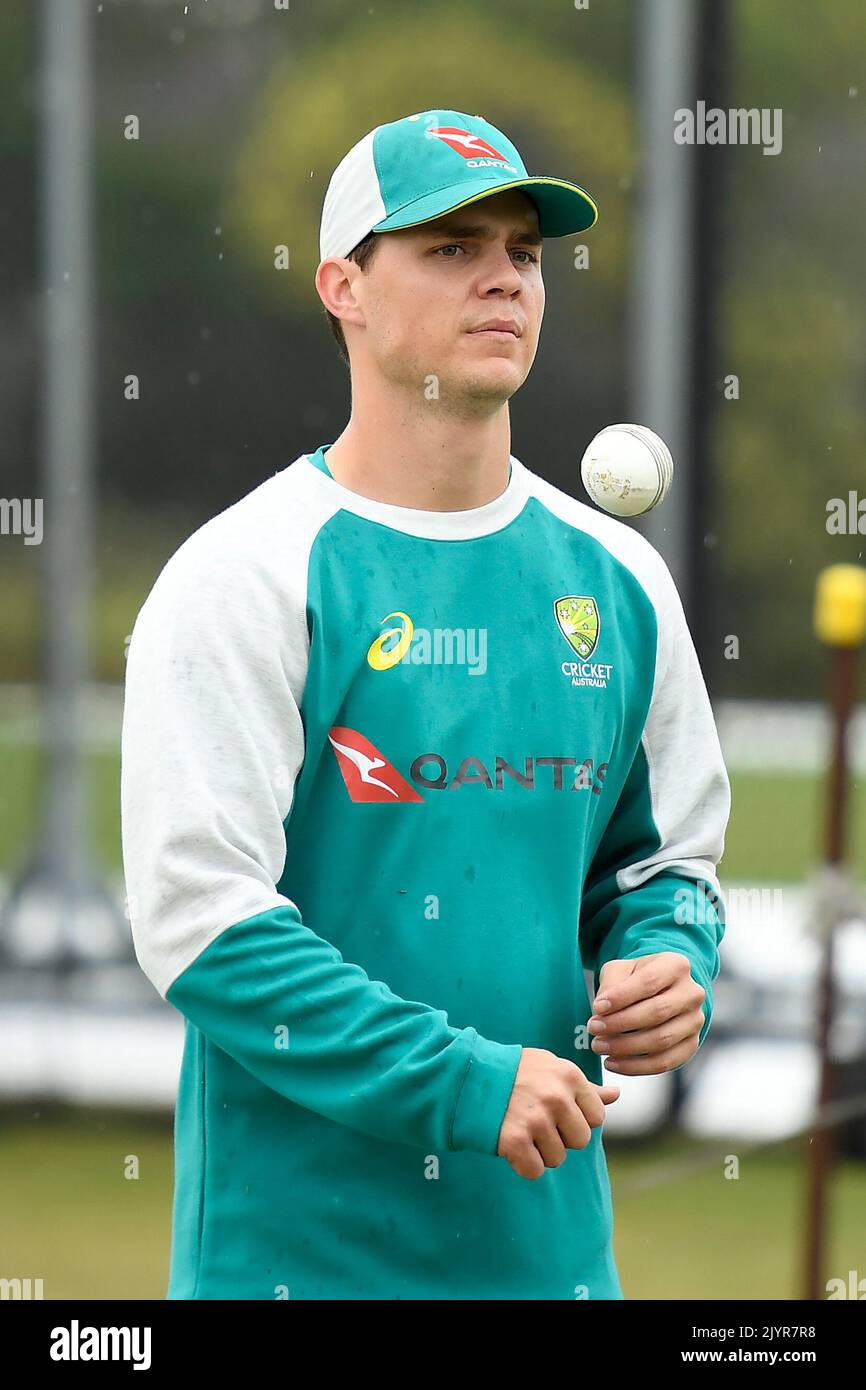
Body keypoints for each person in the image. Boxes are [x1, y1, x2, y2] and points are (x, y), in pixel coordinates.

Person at [120, 108, 731, 1300]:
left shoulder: (617, 581)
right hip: (292, 1269)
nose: (502, 275)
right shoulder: (245, 575)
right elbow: (202, 922)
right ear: (342, 285)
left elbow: (661, 874)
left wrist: (665, 964)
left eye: (523, 249)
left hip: (551, 1269)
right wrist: (460, 1079)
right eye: (450, 247)